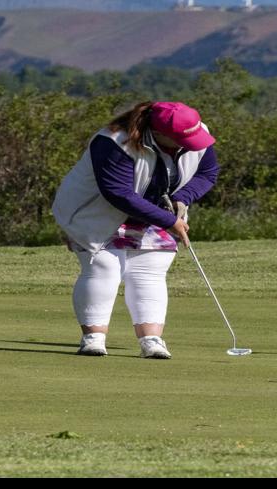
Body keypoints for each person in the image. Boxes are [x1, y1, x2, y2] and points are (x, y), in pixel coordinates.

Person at [51, 101, 220, 358]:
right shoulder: (114, 142)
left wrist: (182, 198)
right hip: (96, 211)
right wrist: (169, 221)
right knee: (104, 266)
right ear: (159, 133)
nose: (192, 145)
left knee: (151, 269)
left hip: (154, 210)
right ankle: (93, 338)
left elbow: (208, 172)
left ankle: (151, 341)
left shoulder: (195, 133)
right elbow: (117, 193)